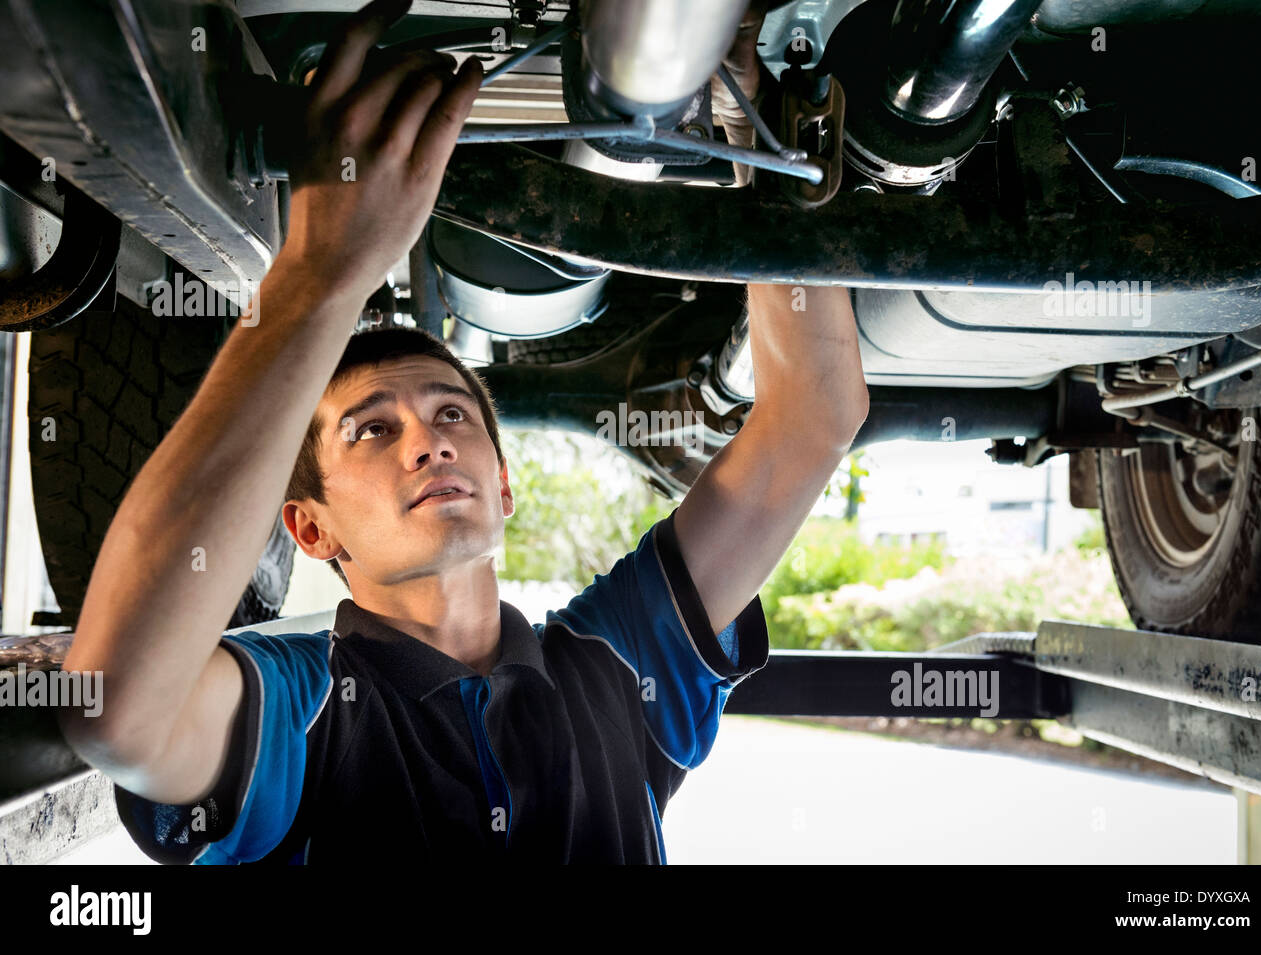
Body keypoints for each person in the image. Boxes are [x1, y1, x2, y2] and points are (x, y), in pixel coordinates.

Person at [56, 0, 871, 863]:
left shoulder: (612, 665)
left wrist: (756, 135)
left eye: (451, 412)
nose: (429, 440)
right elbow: (121, 712)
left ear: (506, 482)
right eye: (371, 430)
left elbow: (811, 418)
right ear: (309, 525)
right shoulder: (302, 711)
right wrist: (317, 272)